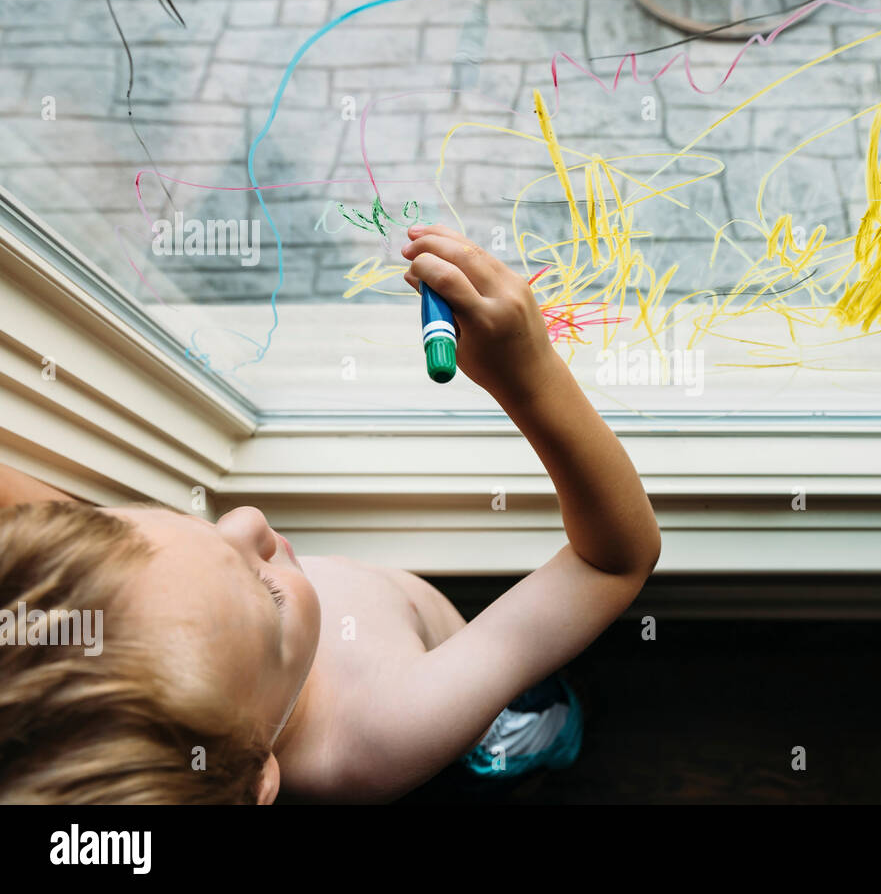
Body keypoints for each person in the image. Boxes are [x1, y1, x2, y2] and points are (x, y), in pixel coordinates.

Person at [0, 224, 661, 803]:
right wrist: (531, 374)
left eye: (125, 524)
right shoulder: (382, 730)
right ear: (259, 777)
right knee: (551, 727)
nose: (246, 522)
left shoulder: (114, 607)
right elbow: (613, 562)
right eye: (263, 590)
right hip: (488, 727)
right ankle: (554, 750)